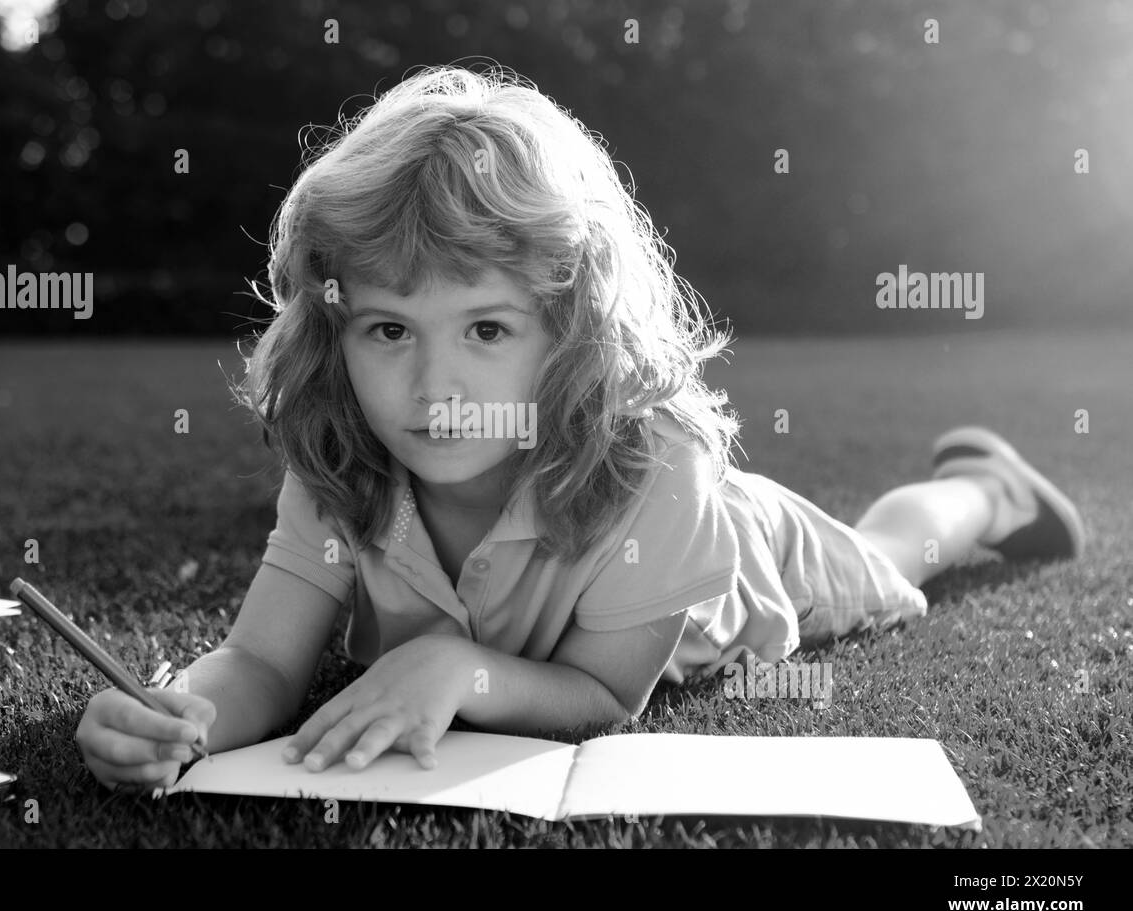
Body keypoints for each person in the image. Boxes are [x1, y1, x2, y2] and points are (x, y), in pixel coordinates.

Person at [75, 65, 1085, 789]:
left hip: (751, 568)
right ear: (331, 332)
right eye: (388, 328)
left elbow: (602, 697)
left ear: (573, 328)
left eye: (486, 327)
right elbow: (260, 663)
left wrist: (454, 668)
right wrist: (180, 713)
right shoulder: (345, 458)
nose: (433, 385)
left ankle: (983, 487)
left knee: (889, 563)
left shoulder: (658, 468)